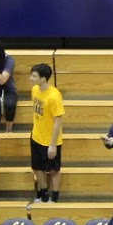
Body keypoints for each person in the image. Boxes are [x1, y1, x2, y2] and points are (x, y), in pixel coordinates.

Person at [27, 62, 64, 202]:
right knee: (37, 168)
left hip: (50, 140)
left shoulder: (54, 96)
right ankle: (44, 197)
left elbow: (58, 121)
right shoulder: (35, 90)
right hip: (36, 136)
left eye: (34, 76)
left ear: (43, 79)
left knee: (54, 171)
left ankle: (55, 199)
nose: (31, 78)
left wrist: (53, 144)